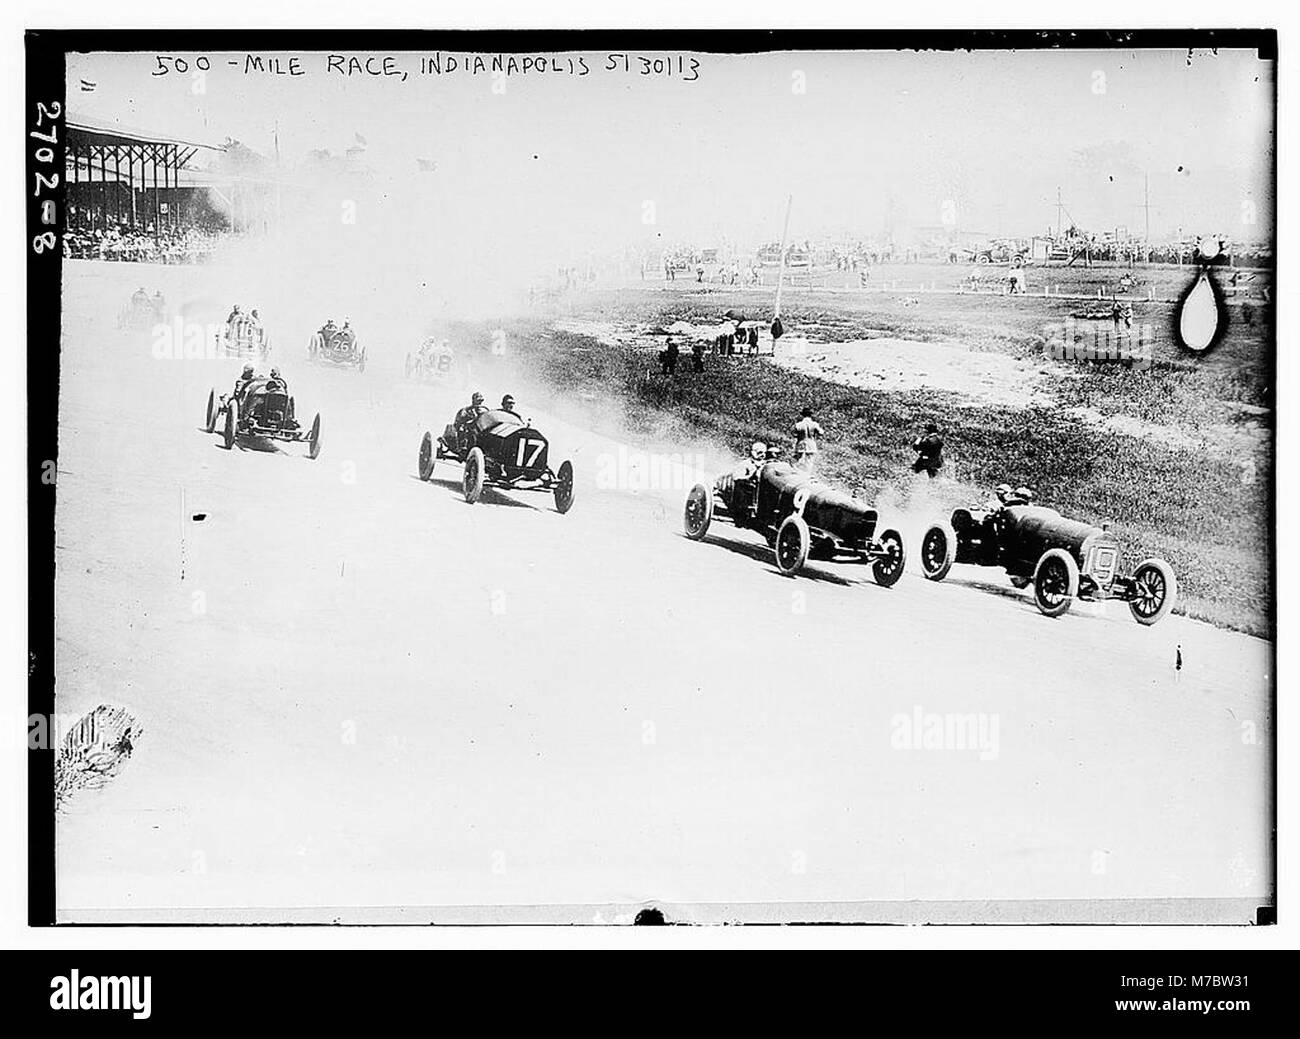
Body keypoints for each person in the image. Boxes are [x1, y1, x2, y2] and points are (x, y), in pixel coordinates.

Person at [793, 407, 824, 472]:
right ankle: (808, 474)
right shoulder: (814, 424)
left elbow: (793, 433)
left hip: (801, 443)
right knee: (809, 461)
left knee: (799, 461)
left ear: (802, 415)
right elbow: (821, 432)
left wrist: (799, 436)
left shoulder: (798, 424)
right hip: (811, 444)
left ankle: (798, 474)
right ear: (810, 415)